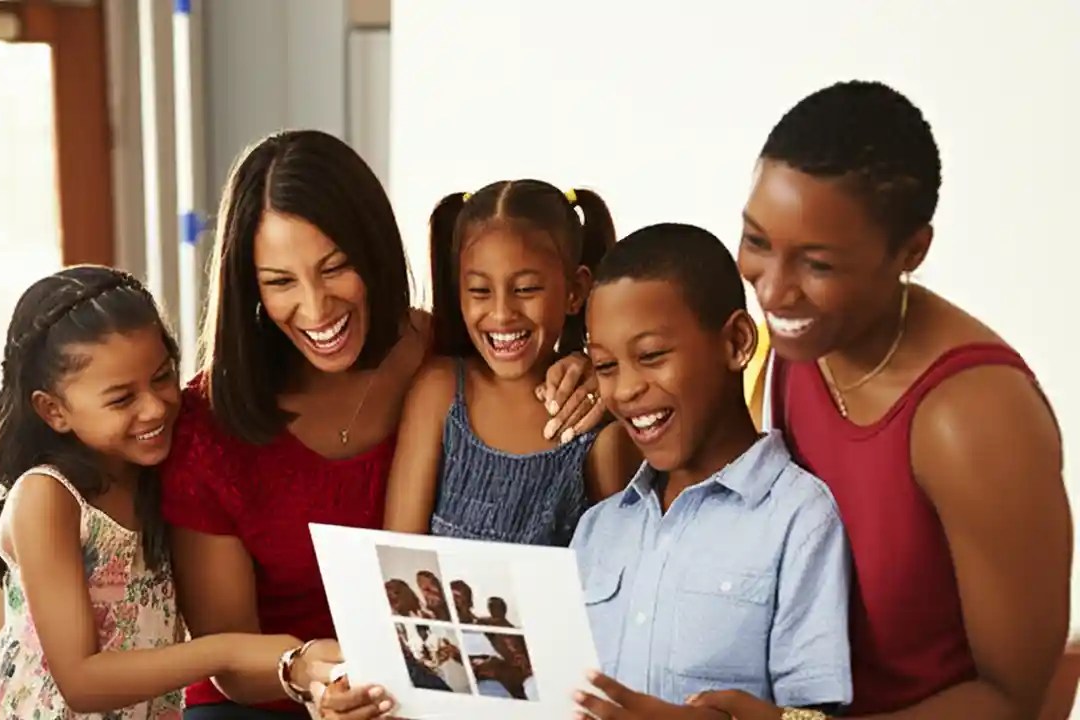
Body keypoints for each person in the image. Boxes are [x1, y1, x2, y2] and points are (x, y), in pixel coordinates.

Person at [159, 131, 603, 719]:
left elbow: (523, 349)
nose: (316, 308)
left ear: (373, 251)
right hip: (266, 701)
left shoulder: (442, 356)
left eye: (335, 268)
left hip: (422, 694)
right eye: (281, 281)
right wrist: (312, 677)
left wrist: (592, 367)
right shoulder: (208, 427)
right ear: (250, 286)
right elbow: (229, 662)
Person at [686, 80, 1070, 720]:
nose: (772, 291)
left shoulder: (972, 418)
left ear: (912, 251)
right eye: (757, 241)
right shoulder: (798, 347)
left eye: (818, 264)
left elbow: (1015, 701)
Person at [0, 266, 312, 720]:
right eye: (121, 398)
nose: (154, 408)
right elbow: (81, 682)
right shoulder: (48, 498)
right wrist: (227, 652)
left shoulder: (162, 470)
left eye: (163, 377)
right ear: (53, 411)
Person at [570, 225, 852, 718]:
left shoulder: (799, 519)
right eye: (606, 366)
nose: (626, 388)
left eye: (651, 356)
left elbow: (817, 716)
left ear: (737, 343)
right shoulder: (598, 529)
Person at [383, 180, 641, 546]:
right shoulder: (439, 392)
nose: (502, 313)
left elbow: (620, 566)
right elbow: (399, 556)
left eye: (526, 289)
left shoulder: (597, 430)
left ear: (575, 291)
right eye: (480, 291)